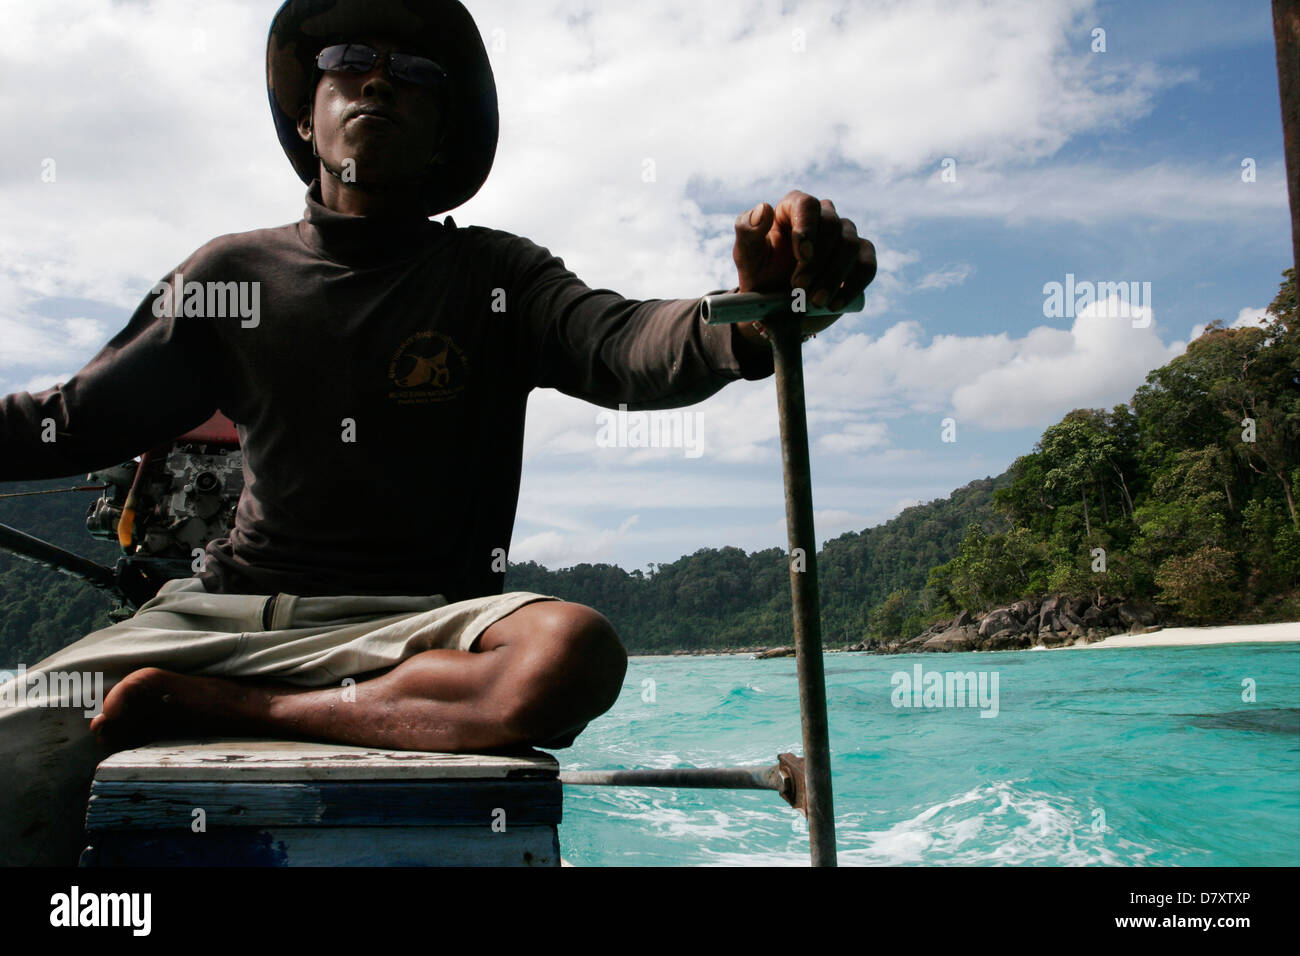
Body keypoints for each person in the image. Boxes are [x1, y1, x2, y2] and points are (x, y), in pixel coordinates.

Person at [0, 0, 876, 865]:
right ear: (307, 118)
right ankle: (219, 692)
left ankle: (226, 709)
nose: (379, 78)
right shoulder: (231, 276)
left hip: (419, 629)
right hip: (221, 616)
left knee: (569, 654)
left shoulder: (496, 275)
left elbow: (624, 344)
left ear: (442, 135)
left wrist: (753, 318)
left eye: (415, 74)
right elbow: (69, 424)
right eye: (348, 59)